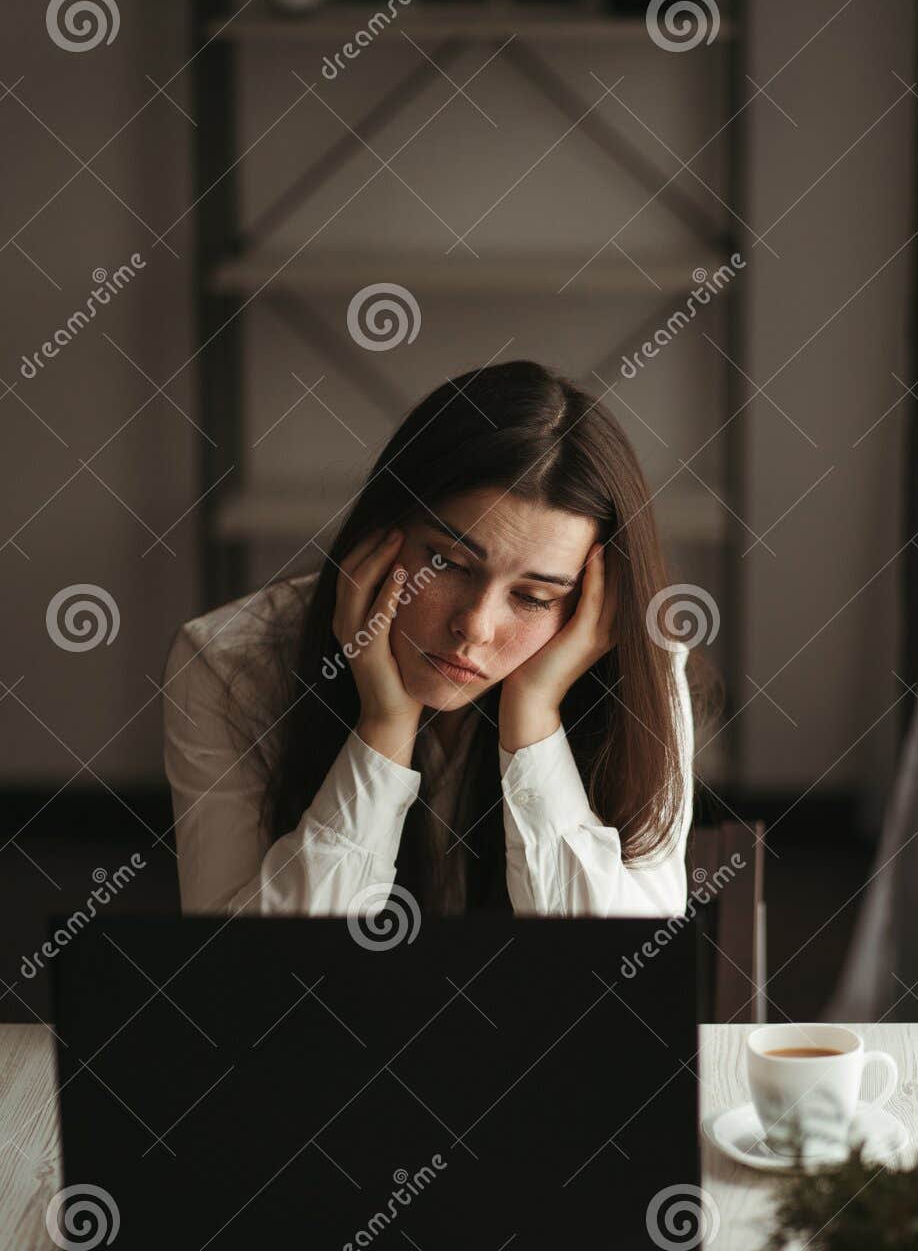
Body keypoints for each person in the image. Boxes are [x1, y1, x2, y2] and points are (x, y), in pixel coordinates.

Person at [162, 360, 714, 919]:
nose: (475, 626)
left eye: (533, 597)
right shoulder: (228, 662)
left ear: (589, 602)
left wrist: (533, 717)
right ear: (383, 528)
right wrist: (383, 728)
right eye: (448, 563)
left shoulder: (643, 670)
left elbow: (614, 963)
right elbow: (248, 962)